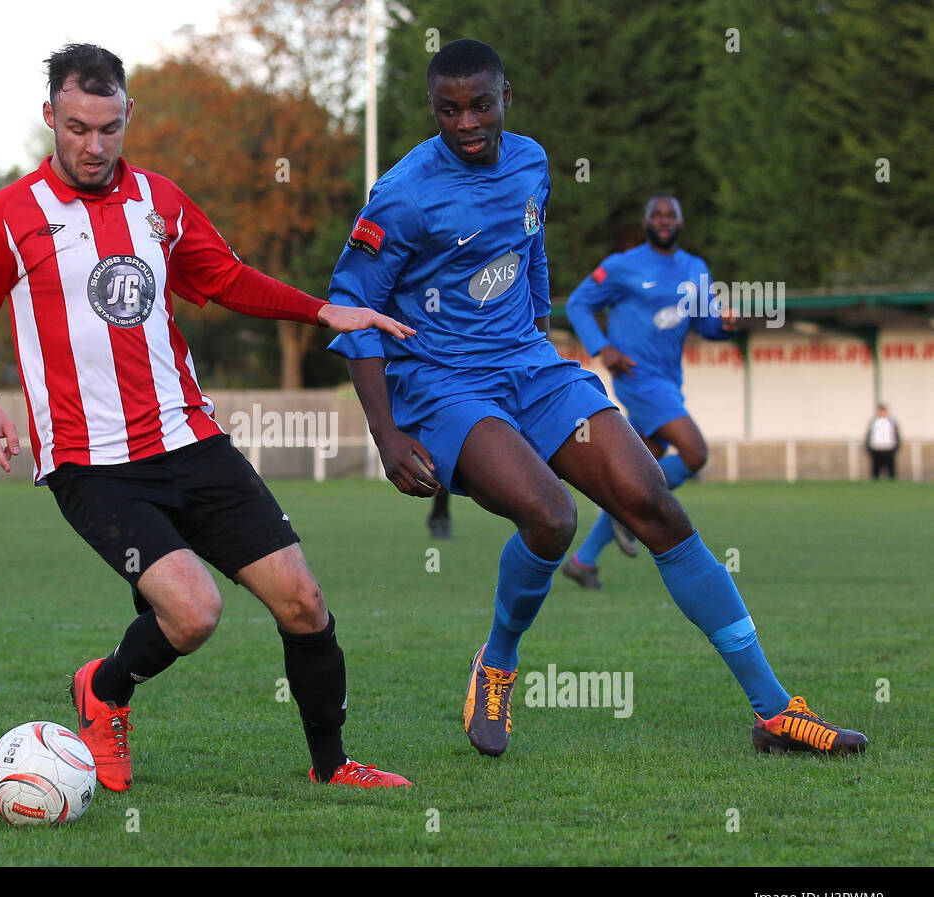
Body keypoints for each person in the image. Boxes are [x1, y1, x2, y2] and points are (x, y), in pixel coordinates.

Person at [327, 38, 867, 760]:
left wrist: (543, 329)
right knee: (551, 518)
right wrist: (386, 432)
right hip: (444, 382)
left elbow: (531, 246)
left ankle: (776, 712)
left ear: (505, 98)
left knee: (656, 506)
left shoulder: (532, 161)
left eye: (479, 105)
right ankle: (498, 660)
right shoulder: (401, 195)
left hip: (532, 364)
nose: (465, 123)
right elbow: (348, 305)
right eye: (447, 110)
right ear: (432, 110)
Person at [0, 43, 414, 793]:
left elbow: (222, 277)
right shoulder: (6, 218)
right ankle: (106, 689)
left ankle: (333, 766)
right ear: (50, 116)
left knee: (304, 601)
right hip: (91, 464)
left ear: (129, 117)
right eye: (79, 127)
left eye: (110, 128)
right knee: (194, 613)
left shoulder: (159, 200)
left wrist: (322, 310)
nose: (94, 146)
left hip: (193, 441)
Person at [560, 194, 734, 589]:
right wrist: (603, 348)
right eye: (656, 214)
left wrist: (725, 325)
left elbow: (707, 325)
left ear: (681, 222)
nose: (664, 220)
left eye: (671, 214)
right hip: (638, 377)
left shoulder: (695, 268)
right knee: (694, 452)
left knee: (644, 470)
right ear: (646, 222)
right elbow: (579, 304)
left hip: (669, 382)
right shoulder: (623, 266)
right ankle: (627, 511)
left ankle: (583, 560)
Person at [865, 404, 900, 480]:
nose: (882, 413)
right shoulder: (874, 422)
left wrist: (896, 447)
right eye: (880, 411)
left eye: (883, 411)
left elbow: (896, 435)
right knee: (876, 469)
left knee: (891, 469)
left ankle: (892, 482)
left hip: (889, 448)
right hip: (876, 449)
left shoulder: (892, 422)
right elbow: (869, 435)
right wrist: (869, 447)